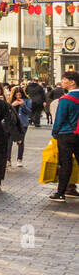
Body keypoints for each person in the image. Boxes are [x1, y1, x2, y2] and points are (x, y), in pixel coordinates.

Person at [50, 69, 79, 201]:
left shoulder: (65, 100)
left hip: (66, 135)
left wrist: (54, 133)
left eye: (64, 80)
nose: (62, 82)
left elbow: (59, 119)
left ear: (72, 82)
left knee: (65, 164)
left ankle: (61, 193)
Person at [9, 85, 30, 169]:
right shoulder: (10, 101)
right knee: (9, 142)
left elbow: (29, 112)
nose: (18, 96)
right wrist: (12, 105)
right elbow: (7, 111)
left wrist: (23, 105)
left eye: (20, 94)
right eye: (16, 95)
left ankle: (19, 159)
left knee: (20, 141)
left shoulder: (27, 101)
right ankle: (8, 160)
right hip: (11, 124)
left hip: (22, 124)